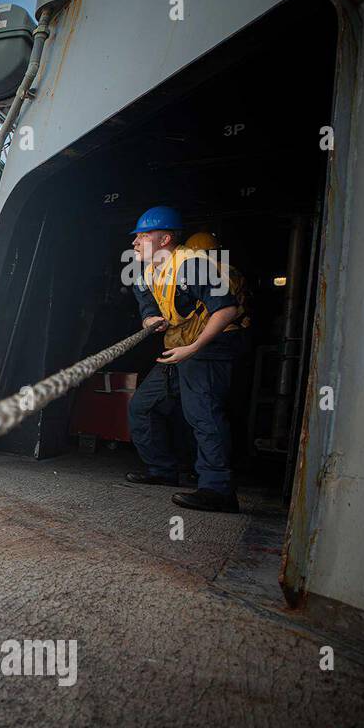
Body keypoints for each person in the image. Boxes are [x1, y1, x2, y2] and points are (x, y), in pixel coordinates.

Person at [125, 207, 250, 513]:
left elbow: (226, 310)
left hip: (210, 345)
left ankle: (218, 490)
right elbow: (147, 310)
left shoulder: (192, 266)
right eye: (136, 237)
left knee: (202, 412)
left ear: (166, 239)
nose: (136, 243)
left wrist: (193, 349)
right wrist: (151, 321)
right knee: (143, 406)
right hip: (178, 346)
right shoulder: (143, 271)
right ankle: (163, 471)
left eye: (144, 235)